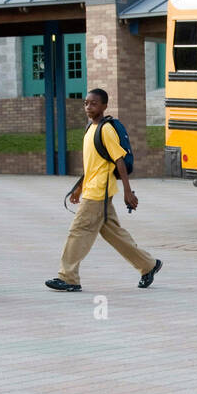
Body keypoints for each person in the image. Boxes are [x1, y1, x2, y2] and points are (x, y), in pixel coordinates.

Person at [45, 88, 161, 292]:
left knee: (78, 231)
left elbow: (119, 160)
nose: (89, 107)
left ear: (104, 106)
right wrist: (78, 187)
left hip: (98, 192)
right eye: (86, 103)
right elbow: (93, 164)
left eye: (94, 103)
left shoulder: (106, 130)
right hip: (93, 189)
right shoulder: (90, 128)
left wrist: (128, 191)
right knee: (114, 234)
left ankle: (68, 278)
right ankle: (148, 265)